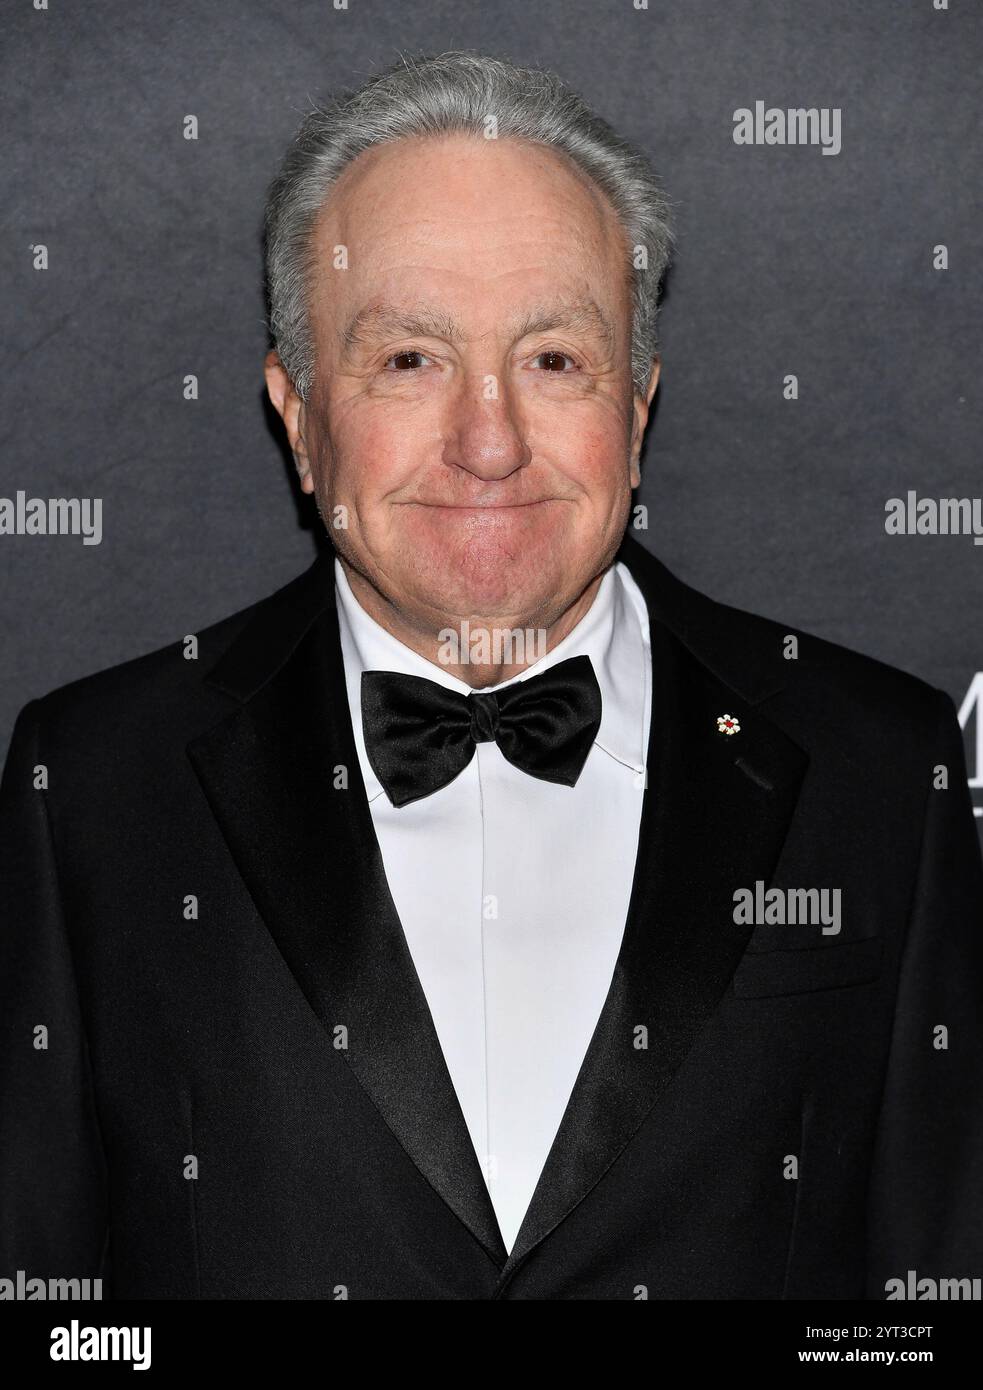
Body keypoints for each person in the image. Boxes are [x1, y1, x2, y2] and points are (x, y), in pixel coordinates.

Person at [1, 51, 981, 1301]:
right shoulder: (93, 783)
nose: (487, 439)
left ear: (636, 409)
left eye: (553, 360)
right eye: (409, 358)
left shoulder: (877, 769)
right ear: (298, 418)